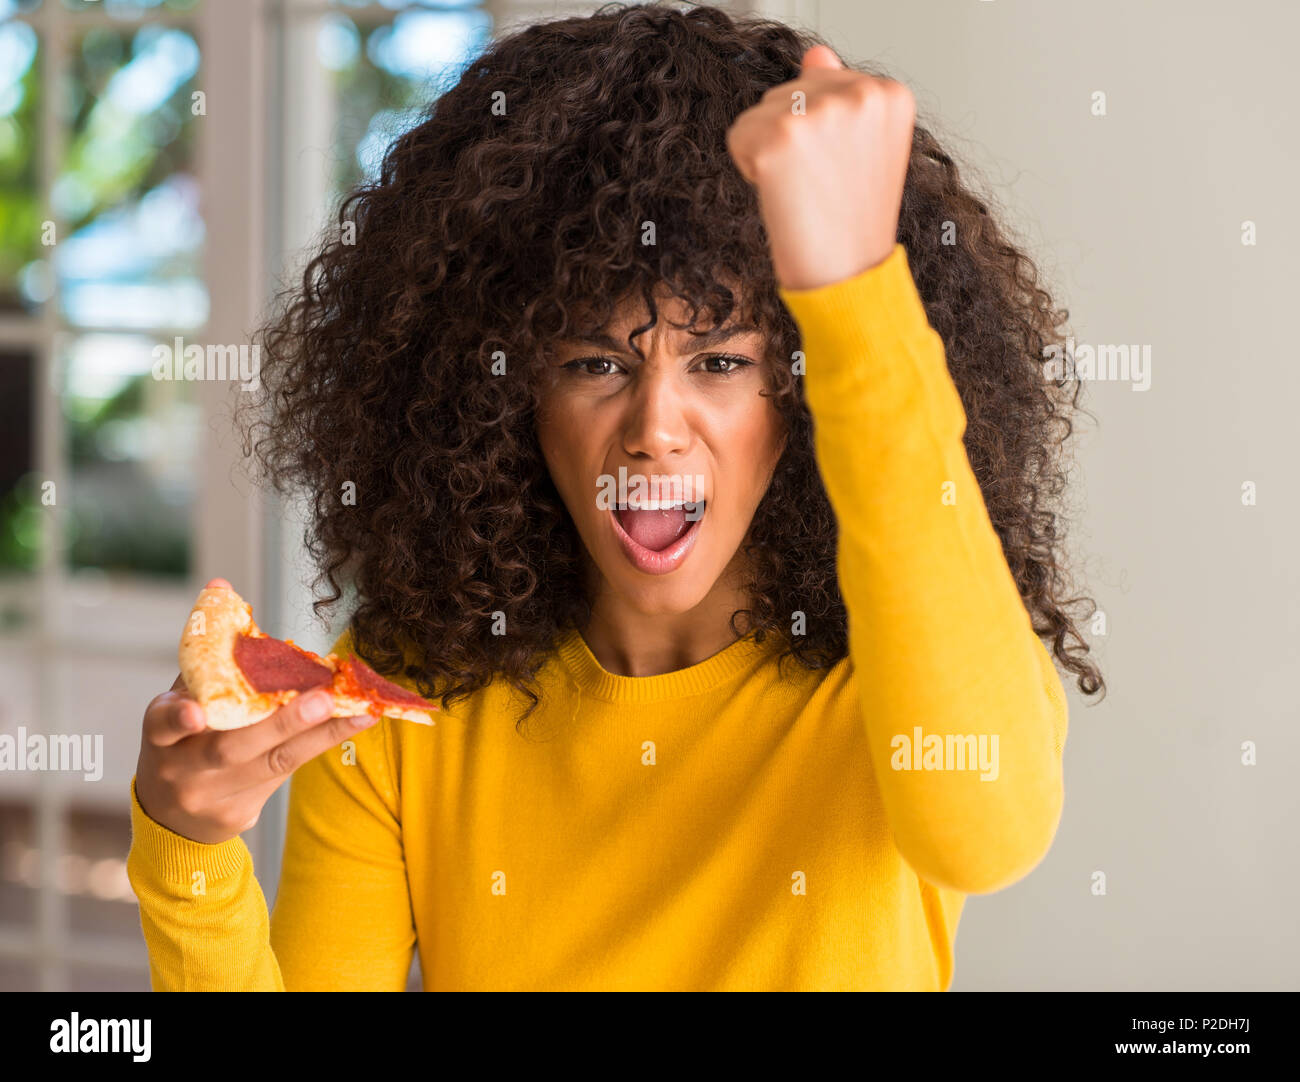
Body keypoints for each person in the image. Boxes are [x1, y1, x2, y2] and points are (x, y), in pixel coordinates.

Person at [128, 2, 1103, 991]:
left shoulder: (905, 658)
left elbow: (987, 838)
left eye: (720, 359)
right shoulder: (407, 687)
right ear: (505, 394)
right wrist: (188, 849)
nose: (654, 425)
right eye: (596, 359)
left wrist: (850, 284)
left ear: (802, 394)